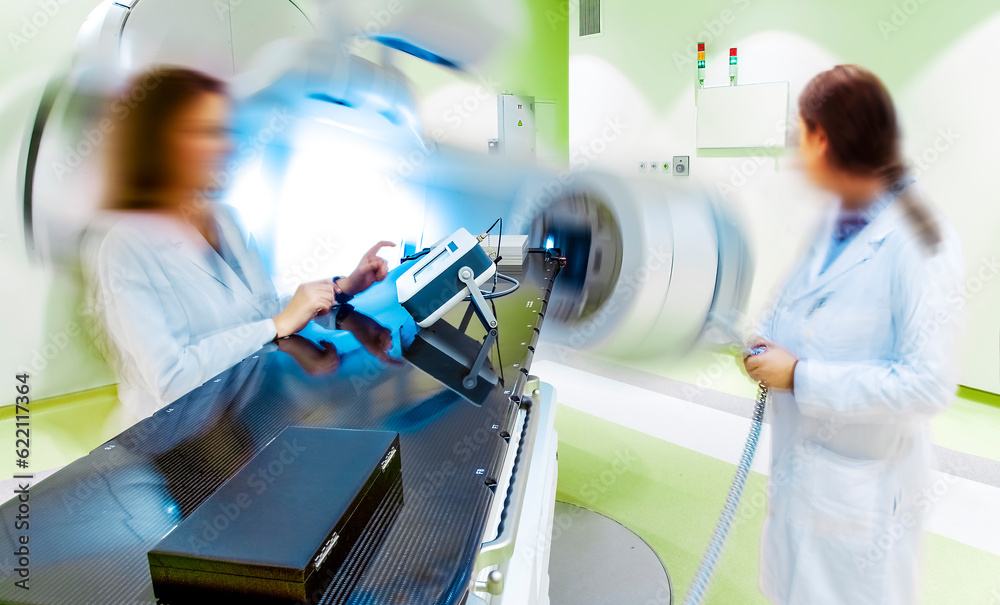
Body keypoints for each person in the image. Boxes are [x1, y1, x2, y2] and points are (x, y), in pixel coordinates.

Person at [742, 65, 965, 605]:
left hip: (862, 502)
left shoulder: (921, 240)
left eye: (801, 134)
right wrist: (762, 343)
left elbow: (928, 384)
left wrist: (800, 376)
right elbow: (794, 311)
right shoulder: (838, 221)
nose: (797, 151)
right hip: (804, 482)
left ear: (823, 138)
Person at [82, 67, 394, 419]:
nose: (226, 145)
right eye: (205, 132)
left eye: (224, 131)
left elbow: (261, 309)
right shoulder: (125, 245)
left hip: (243, 410)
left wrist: (342, 288)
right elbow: (171, 379)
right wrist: (277, 326)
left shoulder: (226, 219)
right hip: (173, 432)